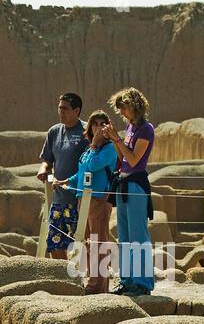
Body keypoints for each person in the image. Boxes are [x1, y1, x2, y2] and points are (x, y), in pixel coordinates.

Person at [54, 110, 117, 292]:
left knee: (98, 242)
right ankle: (92, 281)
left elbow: (92, 166)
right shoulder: (91, 148)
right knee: (88, 243)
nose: (98, 128)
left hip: (98, 199)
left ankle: (98, 286)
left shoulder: (108, 149)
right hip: (83, 198)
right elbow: (82, 171)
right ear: (89, 127)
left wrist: (96, 144)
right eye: (94, 124)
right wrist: (68, 181)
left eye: (101, 124)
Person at [104, 87, 156, 296]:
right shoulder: (131, 128)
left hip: (135, 185)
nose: (122, 113)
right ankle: (127, 280)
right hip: (123, 183)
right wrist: (114, 139)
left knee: (138, 236)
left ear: (134, 106)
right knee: (124, 236)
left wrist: (117, 139)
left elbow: (134, 160)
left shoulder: (146, 129)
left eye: (124, 108)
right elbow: (123, 158)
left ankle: (142, 283)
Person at [36, 92, 89, 260]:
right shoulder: (54, 132)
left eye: (65, 108)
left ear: (77, 110)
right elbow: (47, 159)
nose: (61, 112)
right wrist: (43, 168)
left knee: (80, 243)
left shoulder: (87, 132)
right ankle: (62, 278)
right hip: (58, 199)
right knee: (54, 242)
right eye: (60, 108)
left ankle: (80, 280)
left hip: (79, 199)